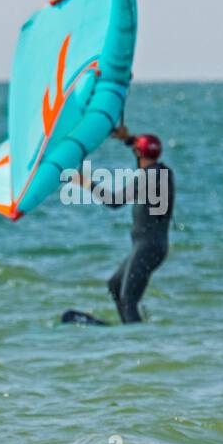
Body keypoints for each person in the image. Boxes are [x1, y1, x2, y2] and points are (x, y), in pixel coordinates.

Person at [85, 125, 174, 323]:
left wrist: (86, 183)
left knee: (128, 299)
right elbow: (143, 158)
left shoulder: (148, 178)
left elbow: (114, 202)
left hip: (148, 248)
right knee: (116, 285)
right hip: (151, 246)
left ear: (138, 153)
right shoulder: (161, 172)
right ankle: (128, 330)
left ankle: (137, 339)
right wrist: (128, 140)